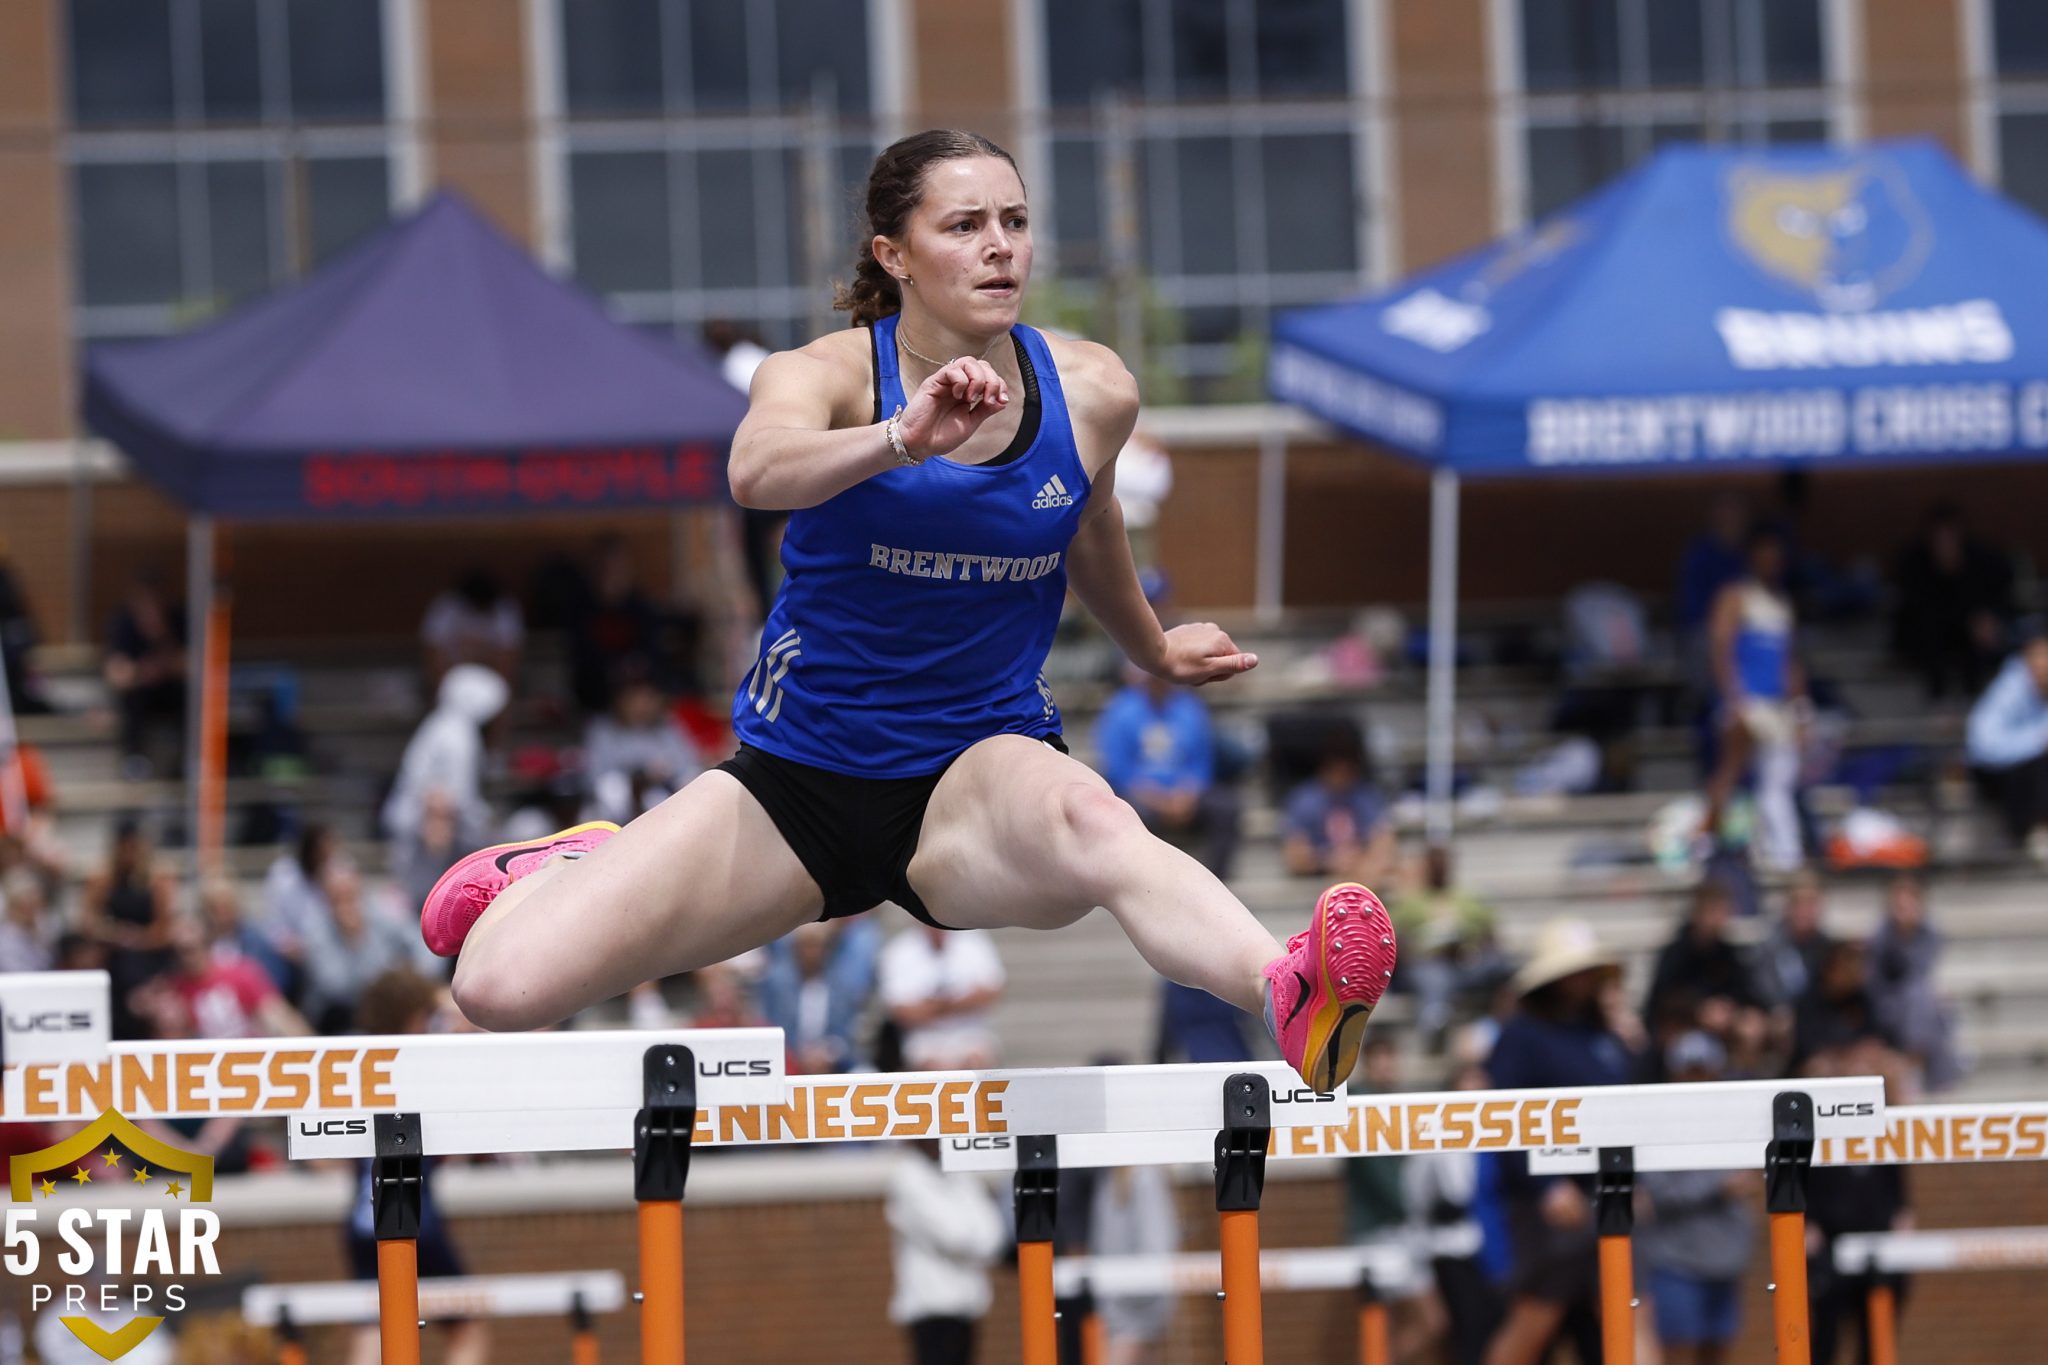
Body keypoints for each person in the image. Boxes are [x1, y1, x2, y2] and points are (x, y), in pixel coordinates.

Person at [417, 128, 1396, 1095]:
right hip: (796, 784)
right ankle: (571, 863)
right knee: (499, 987)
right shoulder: (827, 374)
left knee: (1095, 820)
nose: (999, 246)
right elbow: (755, 470)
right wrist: (901, 438)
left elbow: (1090, 519)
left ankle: (1287, 987)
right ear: (894, 254)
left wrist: (1151, 648)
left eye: (1014, 221)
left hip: (973, 775)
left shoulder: (1094, 390)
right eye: (964, 225)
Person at [1484, 921, 1644, 1365]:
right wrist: (1547, 1187)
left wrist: (1637, 1182)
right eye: (1574, 970)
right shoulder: (1522, 1035)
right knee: (1535, 1320)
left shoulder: (1605, 1035)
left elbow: (1631, 1112)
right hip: (1551, 1211)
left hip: (1611, 1196)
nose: (1583, 979)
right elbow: (1503, 1118)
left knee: (1631, 1313)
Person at [343, 969, 490, 1365]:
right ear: (412, 1016)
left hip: (360, 1221)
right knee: (467, 1331)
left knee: (372, 1331)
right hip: (415, 1217)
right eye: (425, 1014)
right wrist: (443, 1010)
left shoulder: (355, 1064)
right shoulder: (420, 1064)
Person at [1638, 1032, 1756, 1365]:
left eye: (1704, 1072)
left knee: (1718, 1350)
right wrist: (1718, 1189)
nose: (1697, 1080)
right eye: (1689, 1072)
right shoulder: (1656, 1126)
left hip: (1726, 1259)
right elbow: (1656, 1195)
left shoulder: (1734, 1121)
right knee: (1677, 1351)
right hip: (1676, 1260)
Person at [1702, 524, 1806, 871]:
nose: (1772, 562)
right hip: (1746, 702)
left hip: (1777, 707)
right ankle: (1705, 844)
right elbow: (1721, 647)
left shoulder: (1782, 603)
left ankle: (1783, 854)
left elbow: (1789, 661)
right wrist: (1733, 699)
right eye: (1766, 554)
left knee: (1778, 783)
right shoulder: (1735, 596)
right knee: (1730, 773)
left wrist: (1801, 710)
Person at [886, 1139, 1007, 1365]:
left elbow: (993, 1236)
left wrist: (971, 1239)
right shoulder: (908, 1176)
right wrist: (972, 1236)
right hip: (930, 1308)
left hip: (967, 1305)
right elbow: (954, 1236)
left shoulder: (959, 1174)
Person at [1891, 503, 2014, 702]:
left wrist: (1987, 616)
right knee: (1930, 629)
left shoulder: (1980, 558)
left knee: (1979, 631)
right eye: (1940, 536)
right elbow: (1914, 605)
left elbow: (2000, 586)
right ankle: (1937, 696)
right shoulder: (1915, 561)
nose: (1945, 542)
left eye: (1950, 535)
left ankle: (1974, 693)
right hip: (1928, 634)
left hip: (1969, 632)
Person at [382, 664, 510, 849]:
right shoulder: (458, 735)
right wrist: (486, 822)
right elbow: (461, 796)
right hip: (423, 827)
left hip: (418, 821)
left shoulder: (441, 724)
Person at [78, 819, 177, 1040]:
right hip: (113, 953)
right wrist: (112, 933)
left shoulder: (158, 878)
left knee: (131, 965)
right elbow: (88, 922)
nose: (129, 854)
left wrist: (137, 938)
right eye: (125, 848)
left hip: (150, 955)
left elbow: (165, 929)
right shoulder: (102, 878)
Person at [1866, 873, 1962, 1093]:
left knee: (1932, 1002)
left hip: (1918, 1006)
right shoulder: (1880, 938)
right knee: (1920, 997)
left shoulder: (1930, 935)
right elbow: (1876, 986)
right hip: (1886, 1007)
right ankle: (1932, 1071)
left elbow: (1921, 971)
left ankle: (1920, 1065)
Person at [583, 659, 703, 826]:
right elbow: (595, 779)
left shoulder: (668, 727)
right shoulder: (602, 729)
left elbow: (690, 768)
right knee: (612, 790)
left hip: (662, 799)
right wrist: (638, 775)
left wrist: (667, 775)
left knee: (662, 797)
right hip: (615, 814)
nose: (640, 703)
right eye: (632, 696)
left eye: (647, 696)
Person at [1966, 625, 2048, 861]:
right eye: (2040, 657)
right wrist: (2037, 741)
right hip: (1997, 775)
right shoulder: (2007, 690)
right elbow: (1983, 746)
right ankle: (2038, 831)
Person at [879, 922, 1005, 1071]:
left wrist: (933, 1006)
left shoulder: (973, 939)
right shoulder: (900, 949)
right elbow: (901, 1013)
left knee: (977, 1060)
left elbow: (991, 992)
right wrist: (957, 1002)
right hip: (924, 1036)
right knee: (932, 1067)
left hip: (970, 1032)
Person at [1281, 729, 1397, 890]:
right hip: (1323, 873)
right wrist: (1328, 861)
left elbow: (1384, 844)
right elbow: (1295, 857)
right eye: (1337, 766)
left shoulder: (1367, 796)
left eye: (1349, 767)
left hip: (1363, 868)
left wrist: (1362, 860)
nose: (1343, 772)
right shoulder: (1304, 800)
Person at [760, 920, 876, 1074]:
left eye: (817, 946)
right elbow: (770, 1024)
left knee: (866, 1072)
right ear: (795, 949)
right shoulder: (776, 983)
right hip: (786, 1058)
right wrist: (799, 1054)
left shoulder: (841, 984)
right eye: (806, 946)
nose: (811, 953)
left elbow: (847, 1031)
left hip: (832, 1061)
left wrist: (828, 1053)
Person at [103, 573, 186, 778]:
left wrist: (162, 640)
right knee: (133, 700)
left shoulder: (177, 619)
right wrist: (142, 672)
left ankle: (186, 761)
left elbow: (192, 664)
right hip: (140, 692)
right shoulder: (124, 622)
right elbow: (116, 674)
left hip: (171, 691)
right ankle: (135, 760)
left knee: (191, 698)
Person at [420, 568, 522, 688]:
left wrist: (500, 689)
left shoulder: (504, 609)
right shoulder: (445, 607)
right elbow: (433, 651)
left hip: (490, 676)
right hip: (452, 674)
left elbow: (508, 656)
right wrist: (442, 687)